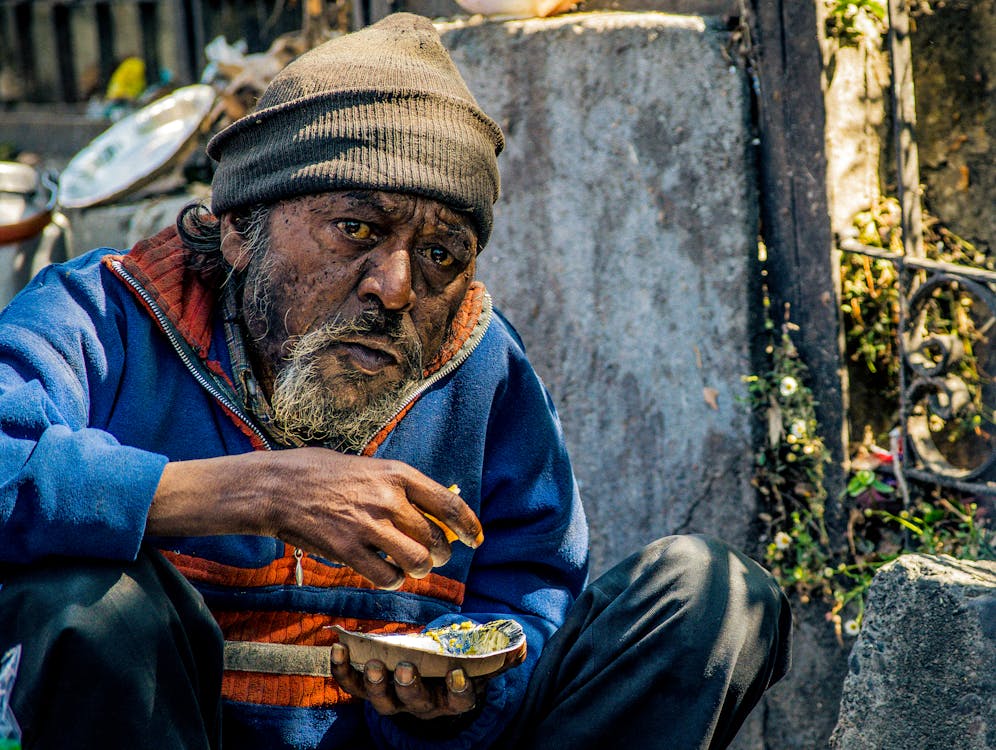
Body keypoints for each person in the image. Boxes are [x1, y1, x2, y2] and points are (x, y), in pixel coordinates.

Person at [0, 13, 790, 750]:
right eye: (357, 228)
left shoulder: (480, 362)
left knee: (711, 598)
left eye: (442, 254)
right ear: (240, 227)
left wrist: (463, 702)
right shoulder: (101, 314)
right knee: (86, 599)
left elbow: (529, 594)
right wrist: (258, 490)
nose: (396, 287)